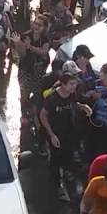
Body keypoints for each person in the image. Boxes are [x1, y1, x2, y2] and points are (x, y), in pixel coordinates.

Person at [42, 73, 93, 201]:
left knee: (68, 154)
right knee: (55, 159)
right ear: (63, 84)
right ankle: (57, 183)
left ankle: (66, 171)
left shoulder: (72, 95)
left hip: (69, 132)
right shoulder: (52, 98)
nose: (74, 87)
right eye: (71, 84)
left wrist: (83, 107)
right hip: (56, 133)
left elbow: (74, 104)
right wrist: (51, 134)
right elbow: (43, 115)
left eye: (75, 84)